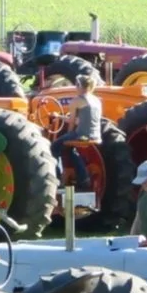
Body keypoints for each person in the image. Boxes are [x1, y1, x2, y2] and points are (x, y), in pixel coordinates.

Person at [54, 69, 102, 202]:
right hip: (95, 135)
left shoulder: (77, 100)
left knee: (54, 147)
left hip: (81, 134)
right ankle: (84, 178)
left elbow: (71, 123)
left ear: (80, 86)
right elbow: (82, 119)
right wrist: (62, 117)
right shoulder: (96, 100)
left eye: (76, 85)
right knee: (70, 150)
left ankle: (57, 180)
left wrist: (65, 128)